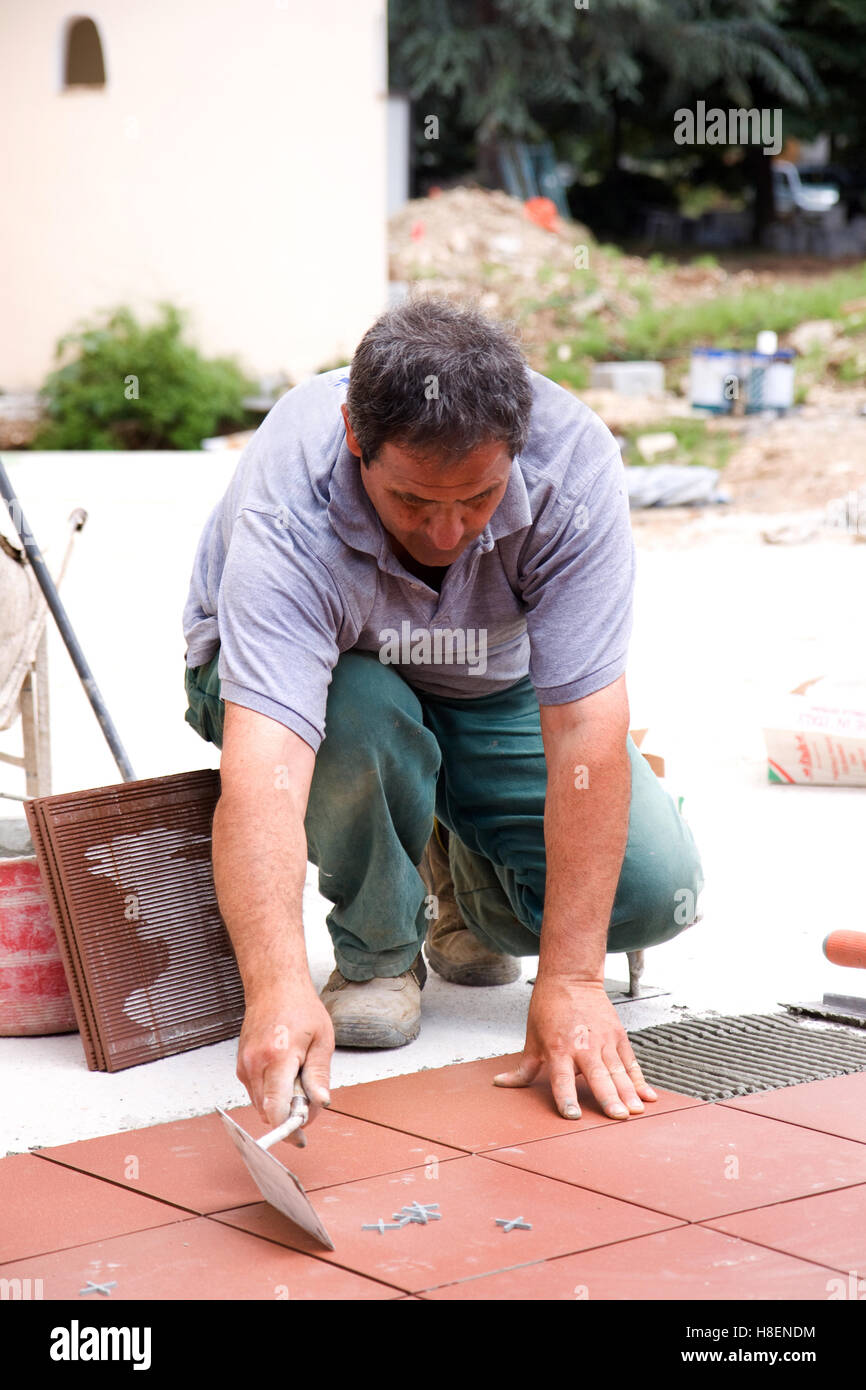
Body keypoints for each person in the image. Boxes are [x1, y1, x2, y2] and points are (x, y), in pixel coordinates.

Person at [182, 298, 704, 1140]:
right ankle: (379, 951)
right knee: (361, 713)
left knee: (647, 899)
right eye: (414, 501)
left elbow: (583, 729)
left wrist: (571, 983)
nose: (448, 532)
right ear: (357, 438)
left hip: (480, 680)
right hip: (326, 689)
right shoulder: (291, 496)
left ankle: (452, 871)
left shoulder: (575, 463)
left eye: (480, 497)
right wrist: (275, 986)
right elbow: (267, 768)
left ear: (519, 447)